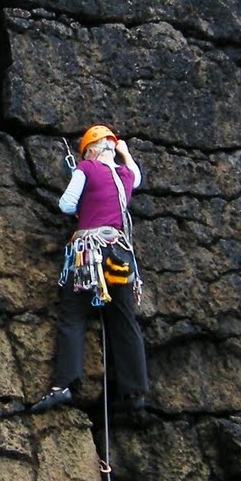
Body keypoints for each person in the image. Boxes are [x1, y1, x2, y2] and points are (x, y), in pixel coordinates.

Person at [30, 125, 149, 415]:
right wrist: (126, 154)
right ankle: (135, 392)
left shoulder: (87, 167)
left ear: (91, 151)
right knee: (123, 318)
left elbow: (66, 205)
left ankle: (64, 385)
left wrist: (85, 195)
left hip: (90, 251)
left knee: (73, 315)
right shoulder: (124, 176)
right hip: (119, 254)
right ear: (112, 148)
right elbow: (137, 177)